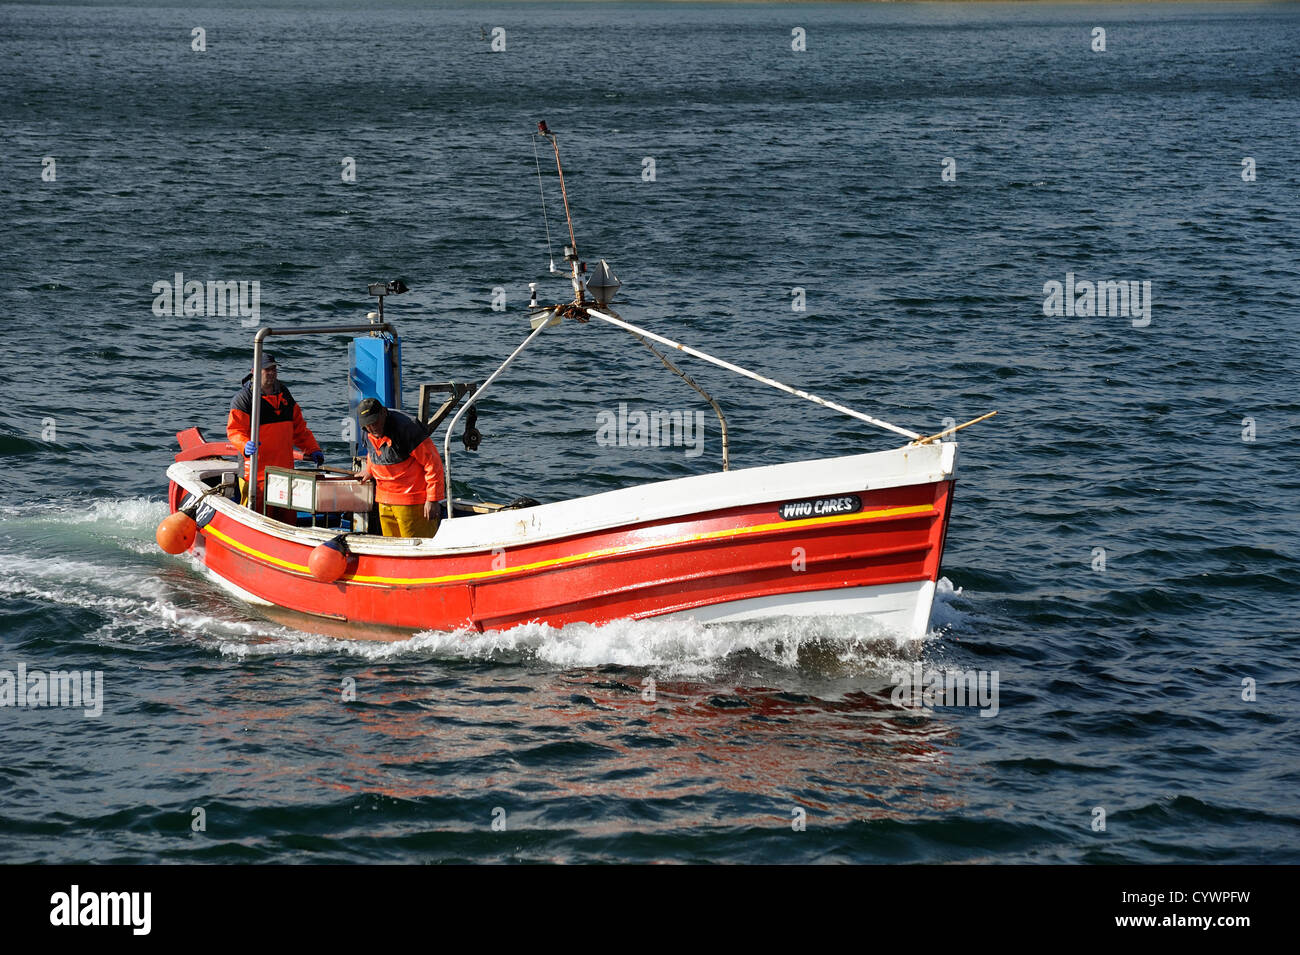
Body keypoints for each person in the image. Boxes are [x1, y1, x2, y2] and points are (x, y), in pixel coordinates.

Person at [226, 354, 324, 520]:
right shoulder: (244, 399)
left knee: (288, 517)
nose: (271, 373)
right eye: (267, 369)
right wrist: (245, 445)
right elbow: (235, 431)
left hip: (284, 472)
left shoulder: (284, 394)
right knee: (255, 517)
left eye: (274, 369)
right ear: (254, 371)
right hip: (256, 474)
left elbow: (299, 428)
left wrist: (313, 449)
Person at [356, 397, 443, 538]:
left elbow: (433, 463)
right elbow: (373, 452)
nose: (372, 427)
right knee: (391, 547)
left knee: (415, 549)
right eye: (368, 425)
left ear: (384, 412)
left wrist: (432, 499)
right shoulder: (366, 430)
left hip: (411, 503)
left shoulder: (408, 428)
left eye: (375, 422)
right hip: (383, 500)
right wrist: (369, 470)